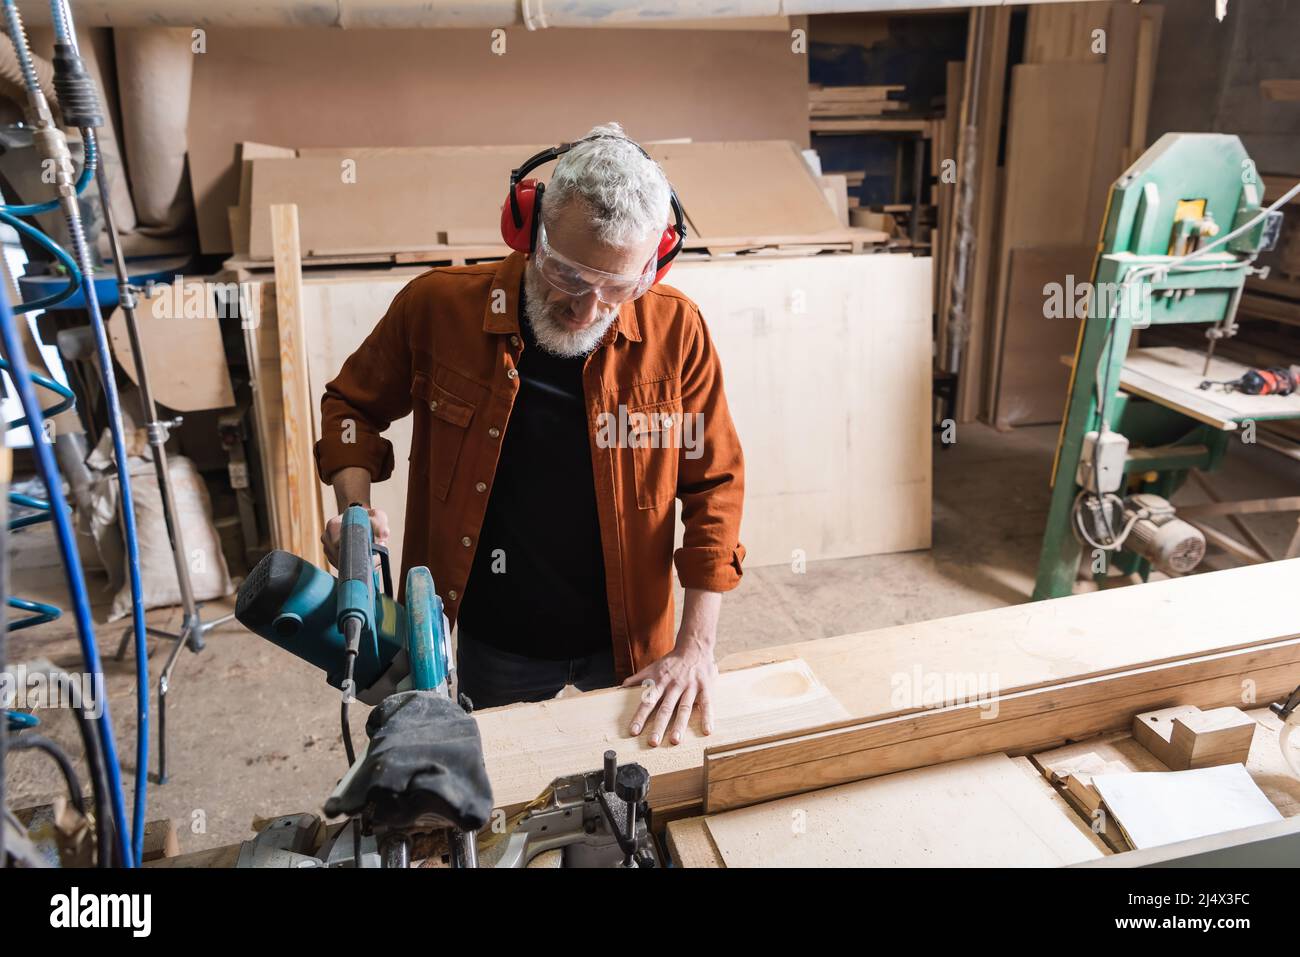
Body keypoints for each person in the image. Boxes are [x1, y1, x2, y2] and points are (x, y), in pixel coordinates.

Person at [315, 123, 745, 747]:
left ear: (655, 262)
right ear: (527, 229)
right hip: (497, 636)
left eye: (617, 288)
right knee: (503, 794)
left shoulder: (676, 331)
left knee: (626, 807)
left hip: (630, 641)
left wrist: (696, 647)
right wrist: (354, 519)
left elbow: (716, 485)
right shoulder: (438, 309)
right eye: (566, 275)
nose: (585, 310)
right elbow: (350, 405)